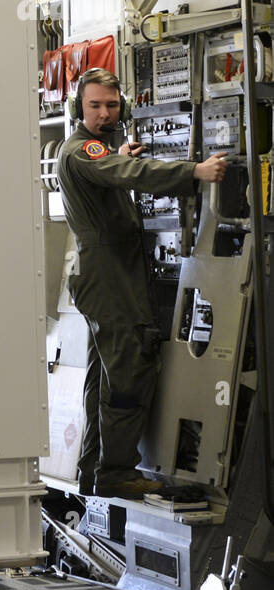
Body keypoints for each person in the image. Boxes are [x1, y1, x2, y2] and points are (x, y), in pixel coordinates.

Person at [57, 68, 229, 499]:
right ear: (80, 106)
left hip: (106, 273)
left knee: (104, 375)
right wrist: (195, 172)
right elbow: (124, 173)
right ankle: (116, 472)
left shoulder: (95, 149)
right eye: (95, 105)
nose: (104, 113)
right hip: (108, 277)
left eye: (112, 105)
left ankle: (93, 470)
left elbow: (116, 168)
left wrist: (124, 155)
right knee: (130, 368)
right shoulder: (82, 151)